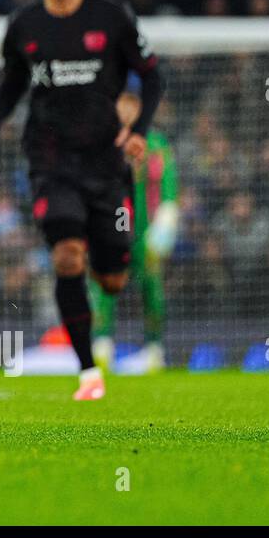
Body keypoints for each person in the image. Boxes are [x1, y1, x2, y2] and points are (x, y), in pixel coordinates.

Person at [0, 0, 162, 401]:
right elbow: (12, 84)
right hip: (50, 163)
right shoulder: (24, 26)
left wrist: (137, 132)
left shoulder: (113, 18)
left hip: (107, 165)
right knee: (66, 255)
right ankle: (88, 371)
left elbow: (153, 78)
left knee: (113, 278)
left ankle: (106, 268)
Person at [90, 81, 179, 373]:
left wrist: (166, 219)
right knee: (103, 284)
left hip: (145, 230)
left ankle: (154, 348)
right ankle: (102, 346)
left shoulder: (156, 144)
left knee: (151, 286)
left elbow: (168, 185)